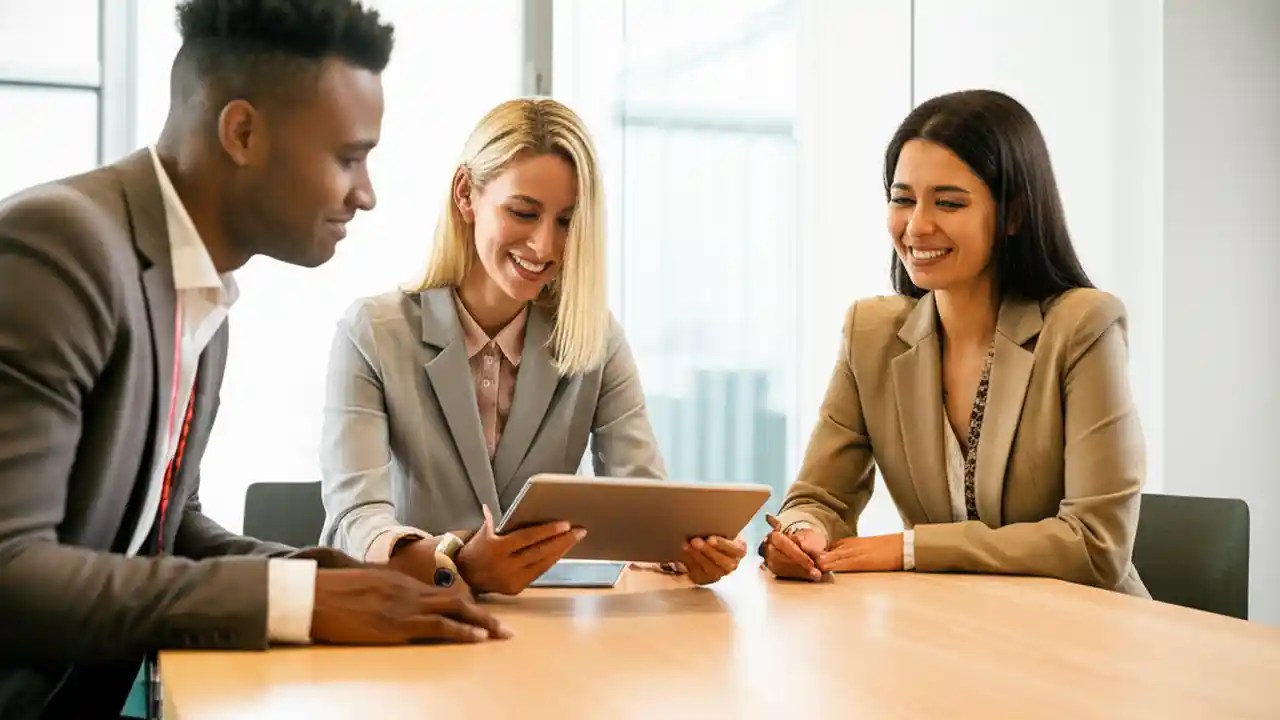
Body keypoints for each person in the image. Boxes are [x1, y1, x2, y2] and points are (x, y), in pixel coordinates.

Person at [0, 1, 505, 716]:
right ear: (241, 131)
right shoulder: (64, 248)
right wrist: (291, 601)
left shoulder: (197, 288)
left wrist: (328, 577)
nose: (366, 194)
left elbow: (165, 533)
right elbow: (12, 572)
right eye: (349, 157)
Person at [320, 97, 747, 594]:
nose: (545, 247)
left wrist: (681, 552)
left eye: (566, 222)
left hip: (546, 624)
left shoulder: (595, 339)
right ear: (466, 194)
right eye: (523, 213)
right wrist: (454, 564)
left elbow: (642, 500)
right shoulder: (373, 332)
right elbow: (356, 520)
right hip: (414, 618)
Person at [765, 89, 1149, 597]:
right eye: (903, 199)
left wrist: (910, 549)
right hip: (952, 630)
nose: (917, 225)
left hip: (1086, 639)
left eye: (948, 202)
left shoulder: (1082, 326)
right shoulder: (871, 333)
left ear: (1013, 215)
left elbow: (1095, 546)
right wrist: (802, 534)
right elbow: (819, 497)